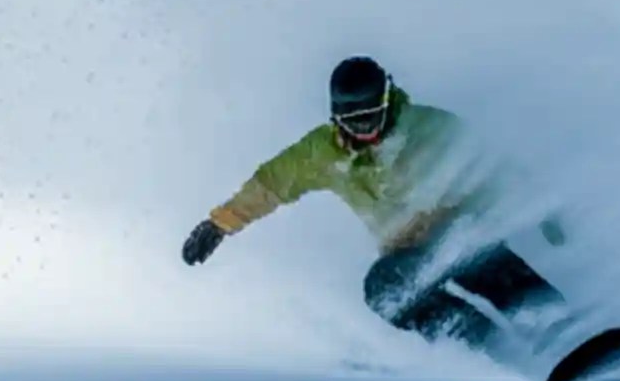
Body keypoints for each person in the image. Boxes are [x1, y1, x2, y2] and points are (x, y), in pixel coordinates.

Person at [182, 55, 568, 349]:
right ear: (337, 118)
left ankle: (552, 321)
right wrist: (219, 223)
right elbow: (270, 184)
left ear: (387, 101)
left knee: (471, 254)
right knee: (382, 288)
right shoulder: (321, 153)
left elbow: (492, 164)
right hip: (405, 254)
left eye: (371, 117)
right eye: (352, 122)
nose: (364, 131)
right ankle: (475, 340)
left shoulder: (430, 127)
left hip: (457, 229)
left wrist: (539, 208)